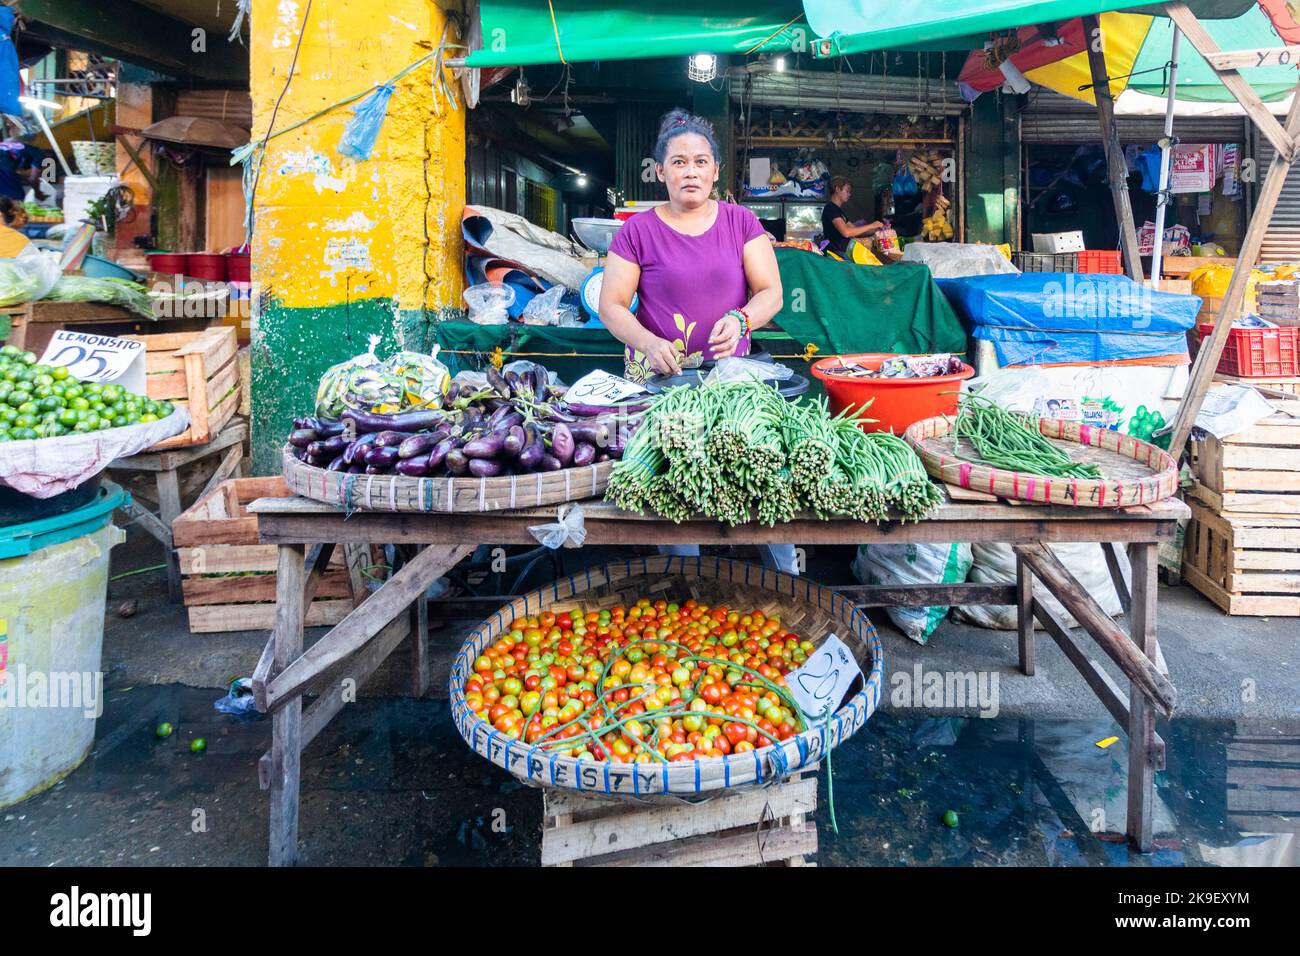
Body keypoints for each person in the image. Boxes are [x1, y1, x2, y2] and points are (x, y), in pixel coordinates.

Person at [599, 107, 797, 575]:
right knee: (679, 495)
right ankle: (685, 593)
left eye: (701, 161)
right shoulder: (637, 231)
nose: (691, 171)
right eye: (680, 162)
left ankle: (789, 586)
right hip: (662, 386)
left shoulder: (740, 222)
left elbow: (771, 292)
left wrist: (742, 318)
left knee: (758, 484)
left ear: (715, 171)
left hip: (733, 390)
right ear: (661, 171)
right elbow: (612, 306)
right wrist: (647, 343)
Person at [821, 176, 883, 258]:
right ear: (837, 189)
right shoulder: (831, 209)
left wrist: (876, 230)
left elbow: (854, 230)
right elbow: (847, 232)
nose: (849, 195)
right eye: (847, 191)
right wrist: (872, 225)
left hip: (842, 253)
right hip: (836, 255)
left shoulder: (838, 211)